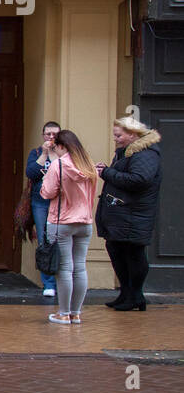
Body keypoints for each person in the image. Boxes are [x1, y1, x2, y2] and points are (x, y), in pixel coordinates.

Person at [95, 116, 162, 312]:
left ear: (132, 135)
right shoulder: (127, 153)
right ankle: (126, 294)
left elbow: (139, 180)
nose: (115, 138)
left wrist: (107, 173)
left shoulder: (146, 154)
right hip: (123, 213)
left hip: (133, 214)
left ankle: (135, 295)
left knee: (132, 253)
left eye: (119, 135)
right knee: (117, 250)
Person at [40, 129, 98, 325]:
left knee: (64, 268)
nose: (55, 150)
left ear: (62, 146)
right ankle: (76, 312)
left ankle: (63, 313)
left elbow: (47, 193)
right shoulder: (89, 165)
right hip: (84, 221)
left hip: (61, 221)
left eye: (56, 146)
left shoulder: (59, 165)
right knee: (80, 267)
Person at [25, 121, 62, 297]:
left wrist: (53, 154)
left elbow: (62, 172)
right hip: (40, 203)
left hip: (60, 204)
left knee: (60, 241)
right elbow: (31, 173)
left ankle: (61, 282)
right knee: (43, 241)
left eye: (55, 134)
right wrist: (44, 154)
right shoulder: (36, 153)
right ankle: (48, 283)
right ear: (43, 135)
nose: (51, 137)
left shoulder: (64, 153)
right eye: (48, 134)